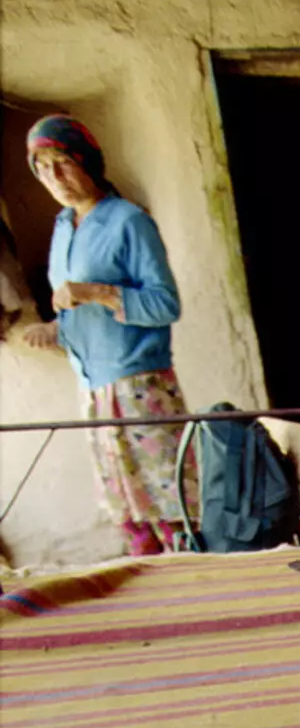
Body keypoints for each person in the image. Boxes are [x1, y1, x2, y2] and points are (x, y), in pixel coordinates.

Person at [22, 115, 199, 556]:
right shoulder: (64, 228)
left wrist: (97, 291)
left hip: (141, 388)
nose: (54, 177)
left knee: (171, 512)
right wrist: (55, 329)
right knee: (129, 515)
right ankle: (155, 610)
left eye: (62, 162)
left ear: (87, 162)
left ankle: (194, 600)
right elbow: (77, 311)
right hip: (93, 394)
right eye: (42, 168)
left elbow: (165, 305)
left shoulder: (127, 221)